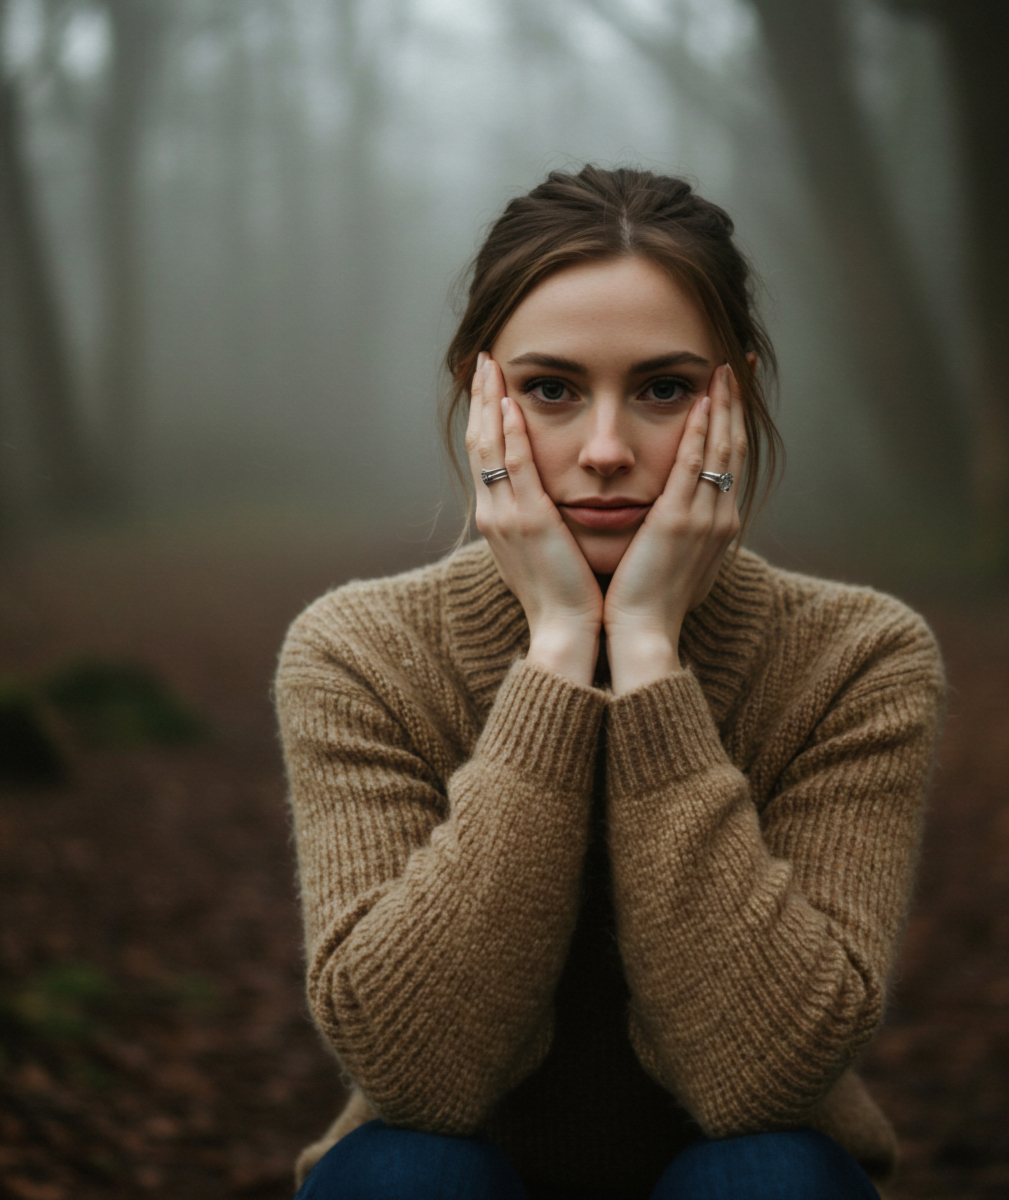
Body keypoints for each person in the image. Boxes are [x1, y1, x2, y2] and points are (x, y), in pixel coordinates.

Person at [275, 166, 944, 1200]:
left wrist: (644, 651)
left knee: (771, 1173)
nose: (603, 451)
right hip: (453, 1172)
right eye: (550, 390)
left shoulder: (858, 656)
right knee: (403, 1171)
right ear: (478, 392)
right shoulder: (357, 650)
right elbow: (416, 1075)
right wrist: (553, 651)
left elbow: (763, 1080)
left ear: (739, 393)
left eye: (664, 390)